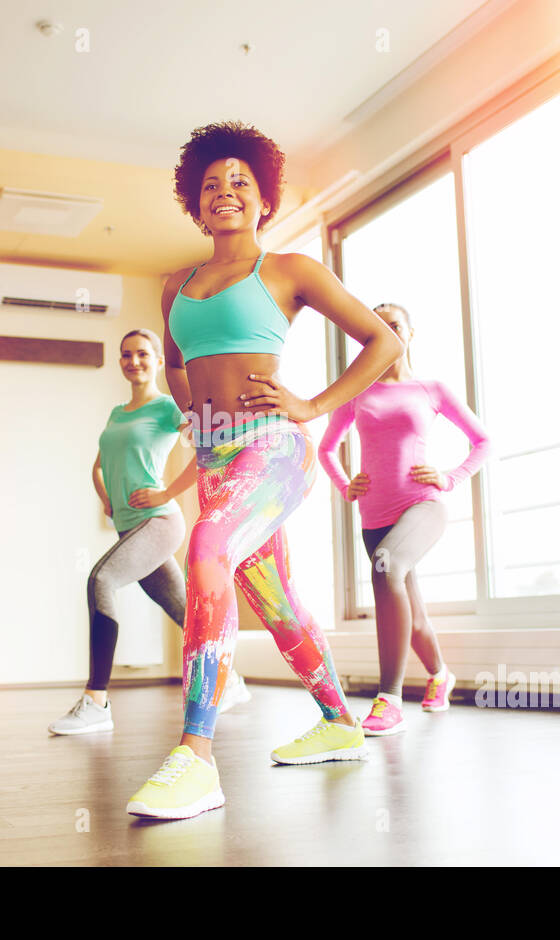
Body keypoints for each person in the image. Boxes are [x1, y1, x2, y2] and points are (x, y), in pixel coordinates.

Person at [125, 121, 404, 819]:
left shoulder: (290, 271)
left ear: (263, 200)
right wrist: (194, 419)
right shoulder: (175, 286)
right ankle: (341, 721)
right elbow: (178, 365)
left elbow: (382, 339)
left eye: (240, 183)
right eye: (212, 185)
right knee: (275, 601)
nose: (226, 193)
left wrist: (312, 404)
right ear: (195, 202)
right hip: (220, 458)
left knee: (207, 549)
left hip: (275, 447)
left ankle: (197, 756)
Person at [48, 329, 252, 736]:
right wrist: (107, 498)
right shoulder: (117, 413)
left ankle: (96, 700)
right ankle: (230, 681)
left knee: (100, 579)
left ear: (158, 360)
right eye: (126, 355)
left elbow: (208, 450)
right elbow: (99, 465)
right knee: (183, 610)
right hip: (129, 526)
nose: (133, 361)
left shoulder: (165, 408)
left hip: (158, 522)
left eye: (142, 354)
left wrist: (165, 492)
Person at [318, 304, 491, 736]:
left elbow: (483, 441)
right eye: (374, 327)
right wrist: (345, 485)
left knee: (386, 568)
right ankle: (440, 675)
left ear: (410, 334)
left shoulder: (430, 389)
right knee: (409, 614)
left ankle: (389, 700)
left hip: (422, 504)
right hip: (373, 515)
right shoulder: (357, 393)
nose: (384, 332)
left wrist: (451, 477)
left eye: (393, 325)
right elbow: (326, 449)